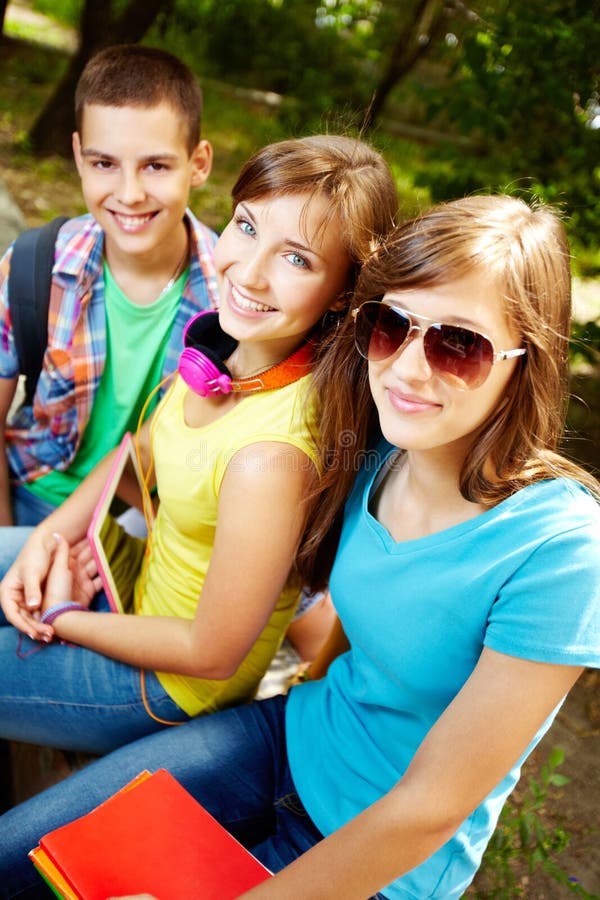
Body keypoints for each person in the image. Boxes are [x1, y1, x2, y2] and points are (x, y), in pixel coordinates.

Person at [1, 194, 598, 900]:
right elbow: (355, 619)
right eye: (390, 324)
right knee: (18, 859)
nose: (407, 368)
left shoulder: (561, 551)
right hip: (286, 740)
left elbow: (429, 808)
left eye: (457, 344)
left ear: (525, 363)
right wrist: (56, 533)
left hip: (381, 861)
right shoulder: (374, 452)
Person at [0, 134, 399, 758]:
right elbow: (138, 454)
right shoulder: (232, 352)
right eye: (246, 227)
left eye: (296, 259)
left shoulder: (273, 457)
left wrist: (63, 616)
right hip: (125, 586)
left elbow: (211, 654)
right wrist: (52, 536)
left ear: (344, 294)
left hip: (165, 684)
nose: (249, 270)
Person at [0, 44, 218, 543]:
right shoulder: (34, 266)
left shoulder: (231, 298)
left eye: (156, 166)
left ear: (198, 163)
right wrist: (10, 543)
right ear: (78, 156)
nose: (129, 193)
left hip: (142, 527)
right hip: (29, 496)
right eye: (104, 163)